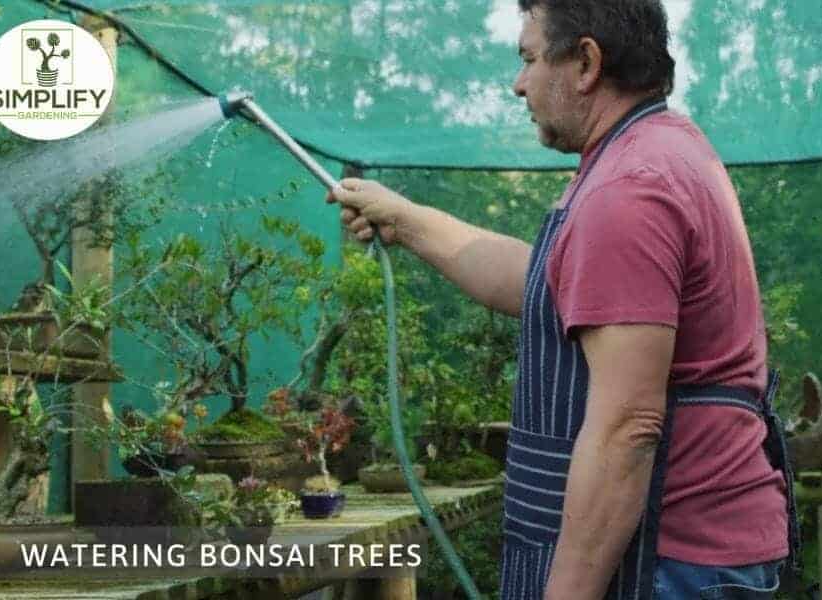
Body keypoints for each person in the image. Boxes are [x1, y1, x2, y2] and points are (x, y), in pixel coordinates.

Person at [329, 1, 792, 598]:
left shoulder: (630, 190)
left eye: (527, 58)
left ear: (585, 62)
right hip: (696, 551)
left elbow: (629, 428)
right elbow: (548, 286)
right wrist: (409, 221)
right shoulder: (661, 148)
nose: (518, 84)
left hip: (669, 561)